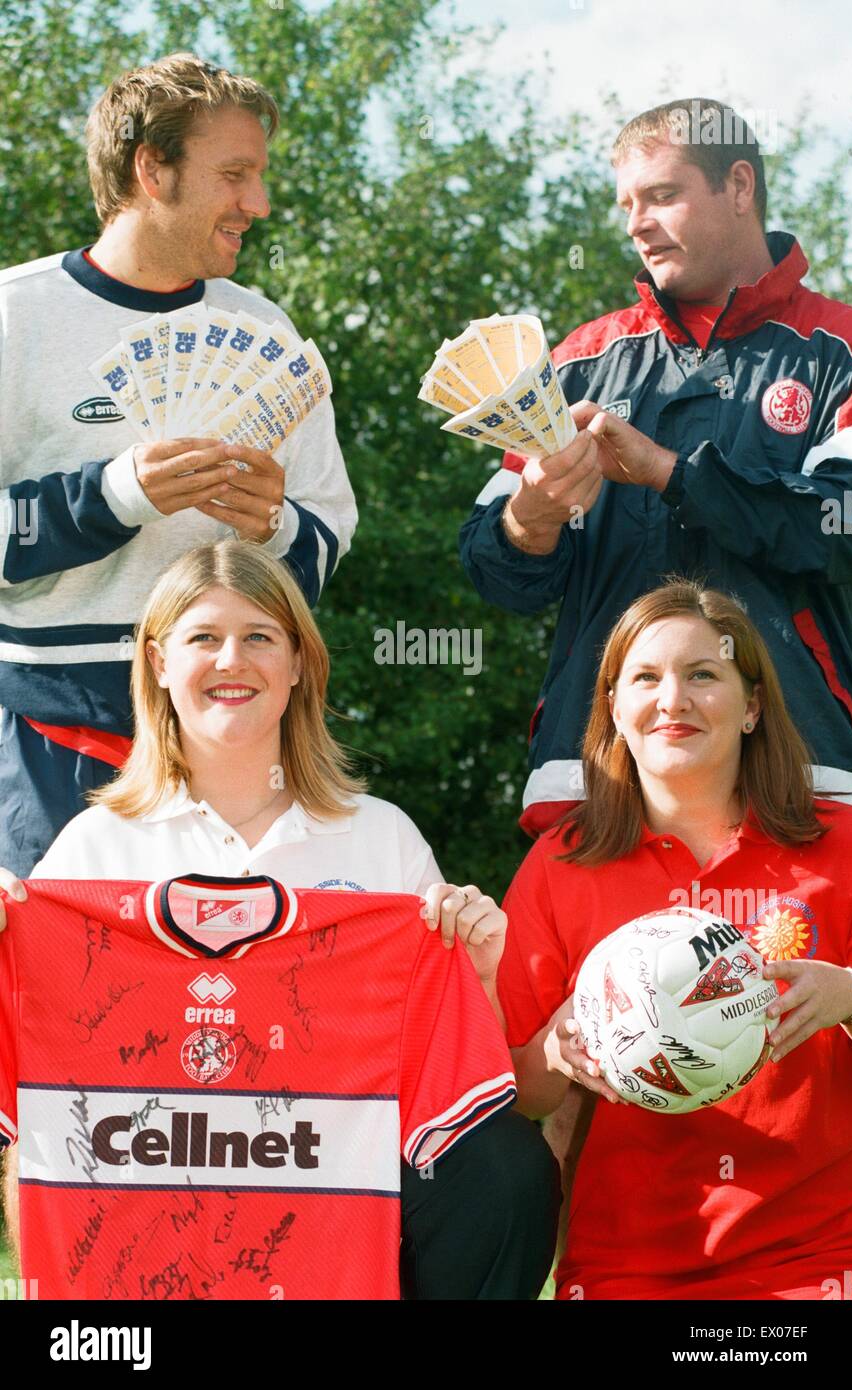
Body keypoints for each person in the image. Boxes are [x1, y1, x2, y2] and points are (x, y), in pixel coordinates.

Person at [0, 539, 559, 1300]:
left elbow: (458, 1069)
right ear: (159, 663)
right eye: (204, 638)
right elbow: (40, 1103)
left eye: (259, 637)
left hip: (334, 1168)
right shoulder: (96, 846)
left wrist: (480, 971)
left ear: (298, 663)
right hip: (155, 1175)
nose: (232, 660)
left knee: (505, 1166)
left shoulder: (379, 834)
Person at [0, 52, 357, 877]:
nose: (258, 205)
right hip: (52, 747)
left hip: (230, 752)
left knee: (219, 1006)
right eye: (235, 175)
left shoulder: (268, 334)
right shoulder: (16, 318)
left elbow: (330, 536)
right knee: (48, 1002)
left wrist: (275, 526)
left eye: (259, 177)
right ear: (150, 169)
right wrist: (115, 495)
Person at [460, 97, 852, 837]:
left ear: (738, 186)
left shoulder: (844, 348)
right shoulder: (576, 360)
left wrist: (670, 473)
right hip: (596, 780)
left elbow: (843, 530)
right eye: (626, 204)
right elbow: (495, 574)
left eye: (662, 196)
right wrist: (531, 519)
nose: (635, 224)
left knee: (790, 962)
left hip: (804, 775)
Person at [494, 578, 852, 1300]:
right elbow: (519, 1095)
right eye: (646, 678)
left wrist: (848, 995)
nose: (672, 700)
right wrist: (556, 1054)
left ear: (752, 705)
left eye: (703, 675)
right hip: (625, 1264)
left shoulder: (840, 847)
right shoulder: (561, 865)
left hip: (816, 1258)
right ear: (614, 711)